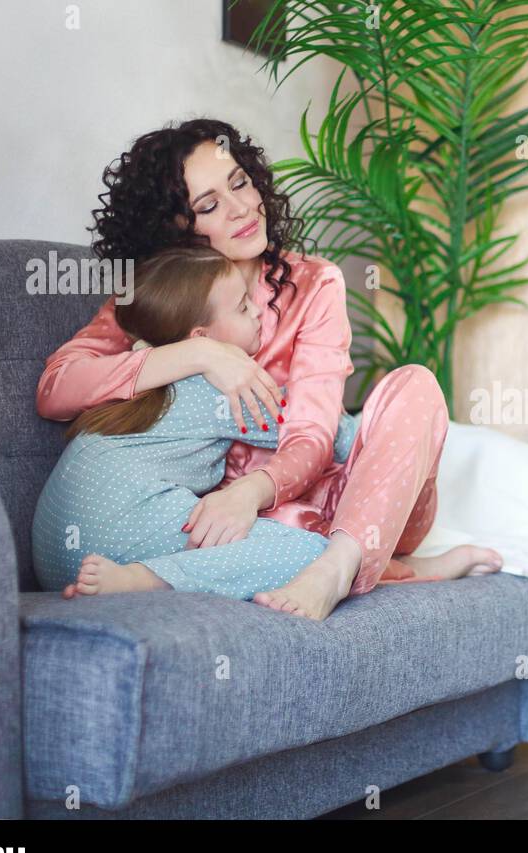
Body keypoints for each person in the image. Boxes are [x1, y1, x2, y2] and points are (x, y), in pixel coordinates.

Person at [37, 119, 501, 620]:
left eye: (239, 182)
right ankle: (397, 568)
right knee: (279, 544)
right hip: (234, 524)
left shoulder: (314, 283)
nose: (239, 208)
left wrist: (249, 491)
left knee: (415, 385)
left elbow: (315, 435)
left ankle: (340, 566)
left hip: (336, 495)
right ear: (175, 227)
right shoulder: (158, 298)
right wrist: (201, 355)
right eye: (209, 205)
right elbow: (56, 389)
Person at [32, 245, 334, 604]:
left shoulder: (139, 374)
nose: (258, 312)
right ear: (200, 337)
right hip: (115, 531)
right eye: (242, 307)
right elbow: (315, 425)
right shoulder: (220, 386)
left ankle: (138, 576)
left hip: (51, 556)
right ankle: (145, 579)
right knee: (316, 556)